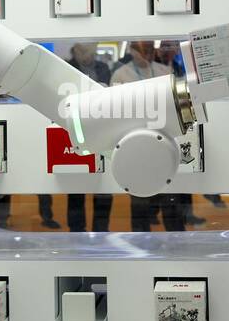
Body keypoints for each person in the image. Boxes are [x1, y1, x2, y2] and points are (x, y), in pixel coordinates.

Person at [111, 42, 181, 232]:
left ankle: (175, 239)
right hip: (135, 143)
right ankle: (140, 239)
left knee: (170, 197)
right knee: (139, 196)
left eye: (150, 51)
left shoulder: (165, 71)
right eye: (142, 51)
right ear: (132, 51)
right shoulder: (121, 75)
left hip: (166, 138)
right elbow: (114, 111)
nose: (147, 55)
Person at [66, 42, 112, 233]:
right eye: (82, 51)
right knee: (76, 184)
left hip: (103, 128)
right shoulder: (67, 67)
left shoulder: (103, 67)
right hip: (75, 128)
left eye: (89, 51)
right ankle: (76, 231)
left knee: (103, 185)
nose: (87, 55)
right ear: (75, 50)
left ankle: (101, 230)